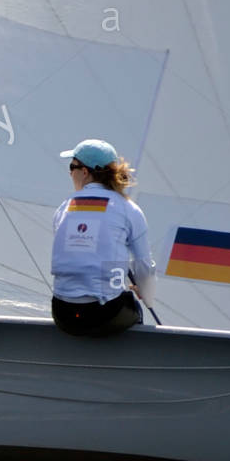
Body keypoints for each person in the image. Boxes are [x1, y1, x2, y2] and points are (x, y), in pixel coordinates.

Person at [51, 139, 155, 336]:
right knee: (132, 305)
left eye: (72, 167)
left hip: (62, 315)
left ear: (85, 172)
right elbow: (144, 265)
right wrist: (145, 294)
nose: (69, 173)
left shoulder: (63, 208)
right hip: (104, 315)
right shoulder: (129, 209)